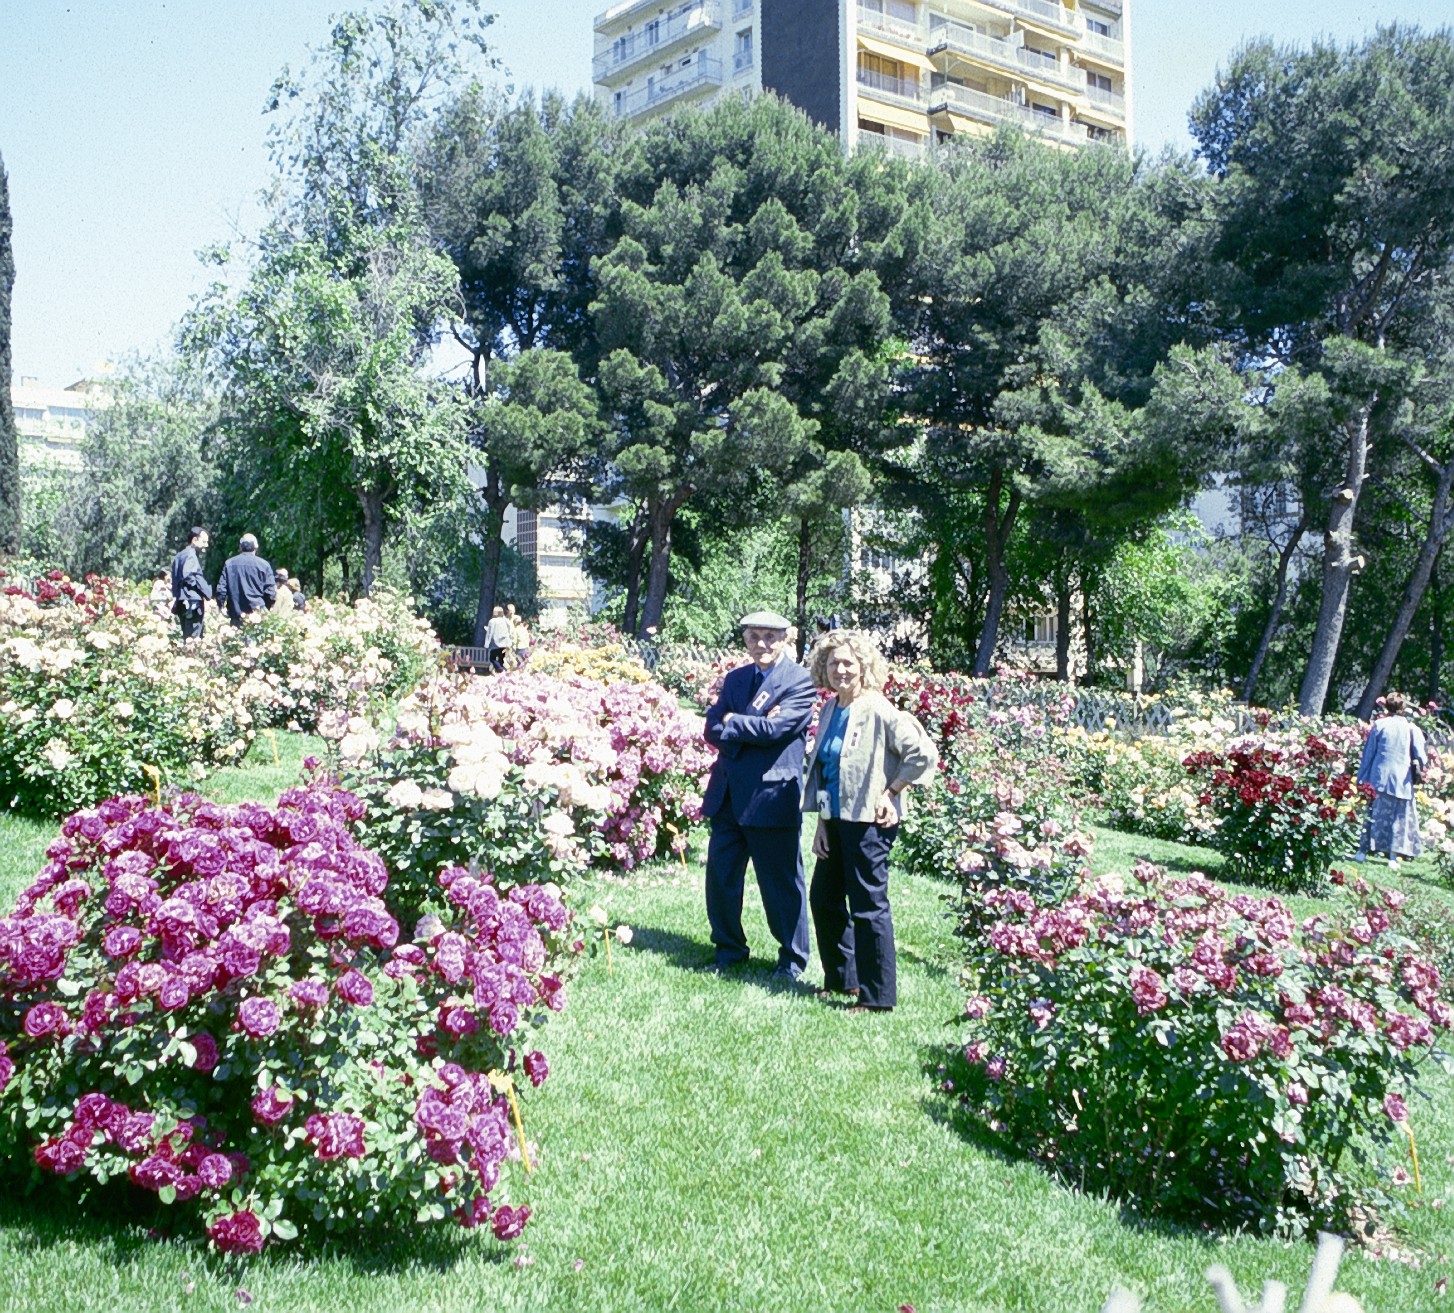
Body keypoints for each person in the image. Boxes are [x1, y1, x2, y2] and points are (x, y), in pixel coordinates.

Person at [803, 629, 937, 1013]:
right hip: (836, 819)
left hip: (868, 823)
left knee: (868, 905)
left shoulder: (878, 708)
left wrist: (891, 792)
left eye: (848, 663)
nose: (840, 670)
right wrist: (822, 825)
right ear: (823, 669)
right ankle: (842, 980)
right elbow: (827, 771)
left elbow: (921, 753)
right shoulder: (831, 708)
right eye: (833, 663)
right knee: (824, 899)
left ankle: (877, 996)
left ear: (863, 667)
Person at [701, 609, 818, 979]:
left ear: (786, 639)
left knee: (781, 885)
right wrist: (745, 724)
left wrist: (734, 721)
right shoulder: (736, 678)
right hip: (728, 795)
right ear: (745, 639)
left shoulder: (799, 681)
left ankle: (793, 960)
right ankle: (728, 950)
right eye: (753, 636)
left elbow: (778, 730)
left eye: (770, 636)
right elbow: (711, 728)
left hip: (771, 798)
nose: (761, 644)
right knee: (721, 879)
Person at [1356, 691, 1428, 868]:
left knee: (1372, 815)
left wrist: (1361, 778)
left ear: (1386, 706)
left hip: (1378, 777)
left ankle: (1362, 852)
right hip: (1402, 780)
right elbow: (1422, 758)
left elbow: (1368, 755)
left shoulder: (1380, 725)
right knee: (1398, 819)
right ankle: (1393, 857)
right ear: (1403, 708)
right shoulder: (1412, 729)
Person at [215, 533, 277, 628]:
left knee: (236, 642)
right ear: (256, 547)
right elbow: (271, 592)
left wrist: (221, 606)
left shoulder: (229, 564)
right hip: (258, 614)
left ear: (240, 547)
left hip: (236, 613)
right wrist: (265, 608)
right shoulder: (264, 565)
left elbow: (221, 589)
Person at [169, 526, 212, 639]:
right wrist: (204, 590)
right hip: (192, 602)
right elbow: (188, 575)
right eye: (204, 542)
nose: (206, 545)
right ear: (194, 540)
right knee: (194, 638)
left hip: (182, 601)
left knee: (187, 636)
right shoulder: (191, 555)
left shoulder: (180, 555)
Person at [484, 605, 514, 673]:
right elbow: (511, 629)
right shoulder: (505, 620)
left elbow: (489, 633)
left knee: (492, 658)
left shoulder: (492, 621)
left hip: (496, 643)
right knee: (501, 658)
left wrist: (486, 644)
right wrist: (509, 636)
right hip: (505, 643)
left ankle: (500, 670)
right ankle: (501, 672)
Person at [508, 603, 531, 669]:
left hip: (519, 649)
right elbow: (527, 638)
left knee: (518, 664)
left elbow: (514, 641)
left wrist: (513, 649)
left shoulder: (515, 630)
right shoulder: (524, 629)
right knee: (524, 664)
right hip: (525, 648)